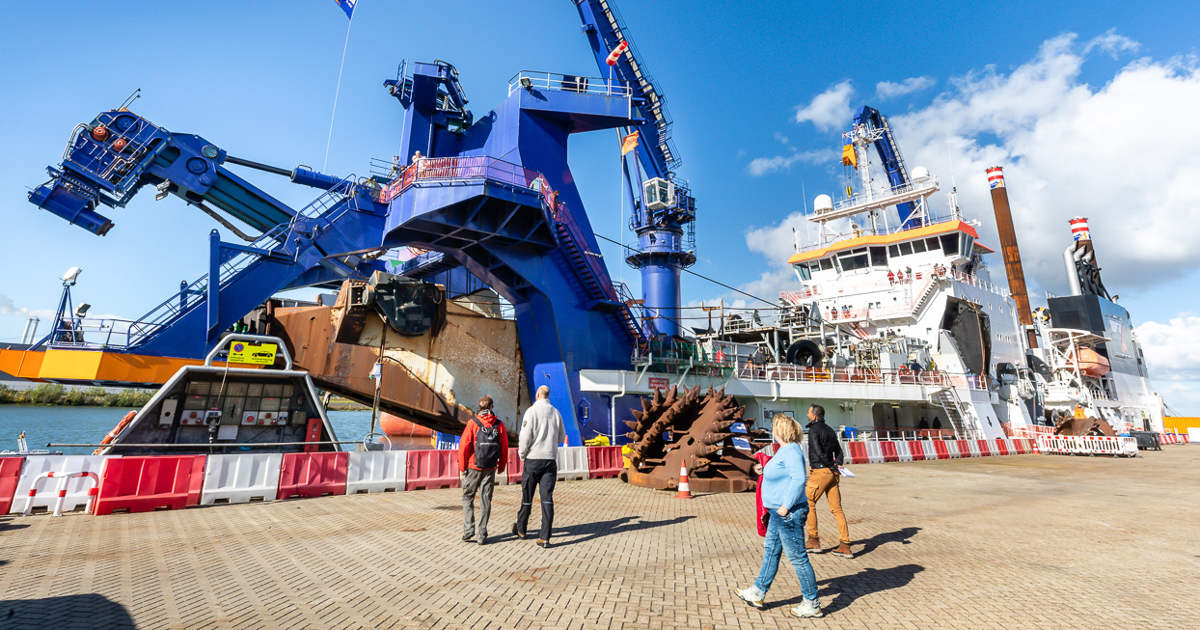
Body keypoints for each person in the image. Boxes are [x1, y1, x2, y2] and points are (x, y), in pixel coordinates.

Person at [734, 414, 823, 619]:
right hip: (778, 513)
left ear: (779, 430)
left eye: (773, 427)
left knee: (798, 557)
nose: (771, 430)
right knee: (771, 550)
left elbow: (799, 479)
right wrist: (763, 469)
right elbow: (782, 472)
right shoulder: (784, 451)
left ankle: (812, 603)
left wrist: (785, 506)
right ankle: (758, 591)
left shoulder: (791, 451)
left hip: (788, 513)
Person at [512, 385, 566, 548]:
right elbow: (561, 436)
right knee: (547, 499)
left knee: (527, 497)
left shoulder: (531, 412)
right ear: (548, 395)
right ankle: (545, 537)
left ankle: (521, 530)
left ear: (537, 395)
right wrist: (549, 444)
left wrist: (523, 455)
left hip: (533, 460)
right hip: (550, 461)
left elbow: (525, 437)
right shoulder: (556, 413)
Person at [459, 395, 509, 545]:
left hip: (474, 466)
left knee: (468, 496)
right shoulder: (499, 425)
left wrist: (462, 468)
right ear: (491, 407)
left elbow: (464, 447)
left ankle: (469, 529)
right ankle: (482, 534)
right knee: (486, 500)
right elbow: (504, 448)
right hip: (490, 468)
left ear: (479, 408)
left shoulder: (472, 423)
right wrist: (501, 467)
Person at [804, 404, 852, 558]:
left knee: (808, 502)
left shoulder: (813, 430)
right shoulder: (830, 429)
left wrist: (830, 465)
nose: (807, 414)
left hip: (820, 471)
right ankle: (845, 545)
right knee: (837, 509)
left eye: (809, 412)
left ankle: (814, 540)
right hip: (832, 473)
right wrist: (836, 465)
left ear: (814, 415)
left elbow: (817, 452)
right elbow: (839, 451)